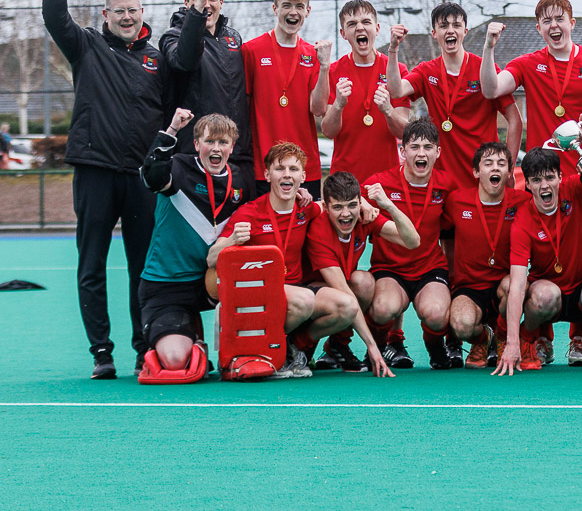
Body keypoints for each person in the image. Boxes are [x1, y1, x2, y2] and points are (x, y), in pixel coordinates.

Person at [42, 0, 168, 379]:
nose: (127, 17)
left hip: (140, 179)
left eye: (133, 10)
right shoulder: (87, 46)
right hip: (95, 172)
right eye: (119, 11)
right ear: (105, 15)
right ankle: (101, 352)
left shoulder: (158, 60)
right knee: (91, 264)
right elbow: (54, 16)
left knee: (143, 268)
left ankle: (143, 348)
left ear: (142, 12)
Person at [494, 119, 582, 375]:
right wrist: (511, 341)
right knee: (543, 295)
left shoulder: (573, 189)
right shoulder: (522, 221)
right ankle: (528, 339)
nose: (545, 185)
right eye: (536, 180)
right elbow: (518, 283)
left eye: (550, 178)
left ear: (560, 177)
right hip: (547, 296)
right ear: (527, 184)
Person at [138, 110, 249, 375]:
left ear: (232, 147)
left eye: (223, 142)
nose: (216, 148)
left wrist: (299, 194)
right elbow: (152, 177)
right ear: (197, 144)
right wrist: (172, 130)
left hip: (210, 282)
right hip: (168, 286)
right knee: (175, 360)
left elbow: (263, 206)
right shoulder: (178, 167)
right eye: (209, 141)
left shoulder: (237, 177)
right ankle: (192, 337)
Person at [209, 142, 324, 379]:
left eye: (293, 169)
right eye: (280, 168)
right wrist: (232, 240)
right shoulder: (249, 213)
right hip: (259, 294)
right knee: (304, 301)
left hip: (292, 288)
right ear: (267, 174)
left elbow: (329, 207)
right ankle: (264, 350)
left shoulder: (306, 208)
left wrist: (364, 204)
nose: (287, 175)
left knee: (345, 307)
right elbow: (211, 258)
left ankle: (291, 347)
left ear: (303, 177)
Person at [480, 0, 582, 170]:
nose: (554, 25)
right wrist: (489, 47)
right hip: (541, 174)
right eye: (547, 21)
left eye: (560, 19)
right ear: (539, 28)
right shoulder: (526, 64)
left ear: (572, 23)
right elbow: (491, 90)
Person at [385, 5, 523, 184]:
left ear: (465, 31)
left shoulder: (485, 70)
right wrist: (393, 49)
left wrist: (509, 168)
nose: (450, 30)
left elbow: (515, 119)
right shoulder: (427, 71)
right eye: (443, 26)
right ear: (434, 33)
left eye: (456, 25)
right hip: (444, 180)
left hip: (484, 178)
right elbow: (396, 90)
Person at [361, 119, 459, 371]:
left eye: (428, 147)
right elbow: (349, 197)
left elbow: (455, 224)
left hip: (429, 267)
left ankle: (435, 348)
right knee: (383, 309)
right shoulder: (380, 183)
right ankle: (378, 348)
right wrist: (363, 205)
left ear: (438, 152)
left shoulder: (447, 185)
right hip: (389, 269)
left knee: (436, 313)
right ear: (403, 151)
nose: (421, 153)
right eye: (414, 147)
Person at [303, 172, 420, 378]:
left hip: (336, 293)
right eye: (337, 207)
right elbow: (343, 291)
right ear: (326, 207)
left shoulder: (364, 219)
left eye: (351, 205)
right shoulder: (319, 230)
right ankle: (300, 346)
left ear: (360, 203)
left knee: (363, 282)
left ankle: (338, 345)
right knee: (345, 301)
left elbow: (413, 241)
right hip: (308, 294)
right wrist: (372, 346)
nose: (346, 214)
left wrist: (389, 205)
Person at [161, 0, 254, 188]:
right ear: (187, 4)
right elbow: (185, 60)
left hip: (237, 154)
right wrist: (197, 15)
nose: (206, 4)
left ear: (221, 2)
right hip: (197, 156)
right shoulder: (173, 37)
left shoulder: (233, 38)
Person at [442, 143, 529, 369]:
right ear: (476, 171)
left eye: (501, 164)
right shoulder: (456, 201)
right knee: (461, 325)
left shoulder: (522, 202)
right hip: (469, 287)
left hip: (504, 283)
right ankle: (484, 338)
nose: (495, 168)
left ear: (509, 172)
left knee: (514, 286)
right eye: (488, 163)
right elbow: (443, 234)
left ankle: (503, 336)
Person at [241, 0, 330, 198]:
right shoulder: (251, 51)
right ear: (275, 9)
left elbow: (319, 109)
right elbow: (242, 106)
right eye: (287, 5)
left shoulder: (312, 55)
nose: (293, 12)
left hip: (304, 167)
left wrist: (325, 67)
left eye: (299, 6)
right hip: (264, 167)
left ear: (307, 11)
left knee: (307, 221)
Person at [319, 1, 412, 185]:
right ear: (343, 33)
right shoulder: (333, 71)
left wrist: (388, 110)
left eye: (366, 22)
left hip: (387, 179)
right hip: (344, 180)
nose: (360, 27)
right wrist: (338, 105)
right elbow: (328, 131)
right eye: (352, 24)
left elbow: (404, 133)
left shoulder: (396, 70)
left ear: (377, 29)